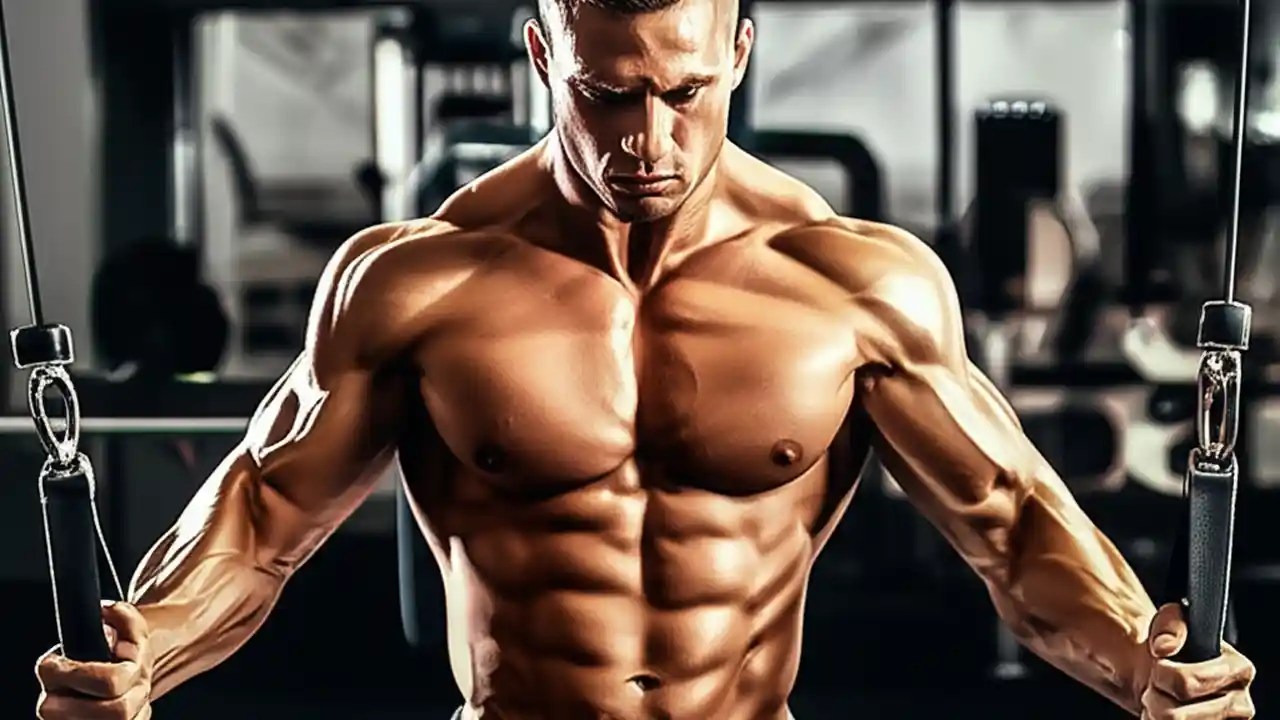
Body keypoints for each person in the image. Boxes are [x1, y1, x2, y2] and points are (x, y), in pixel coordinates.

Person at [34, 0, 1257, 718]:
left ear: (737, 50)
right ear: (538, 56)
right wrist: (144, 644)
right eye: (605, 94)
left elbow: (1013, 528)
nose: (648, 140)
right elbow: (258, 521)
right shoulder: (415, 280)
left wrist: (1143, 666)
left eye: (681, 89)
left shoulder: (852, 283)